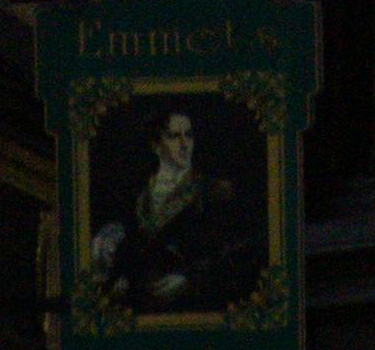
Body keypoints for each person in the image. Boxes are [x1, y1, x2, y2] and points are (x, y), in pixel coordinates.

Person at [89, 104, 261, 309]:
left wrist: (189, 280)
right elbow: (129, 250)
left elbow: (238, 254)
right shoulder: (136, 196)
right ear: (156, 145)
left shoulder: (215, 192)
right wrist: (122, 279)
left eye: (189, 135)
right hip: (141, 304)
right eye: (174, 136)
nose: (184, 144)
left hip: (195, 306)